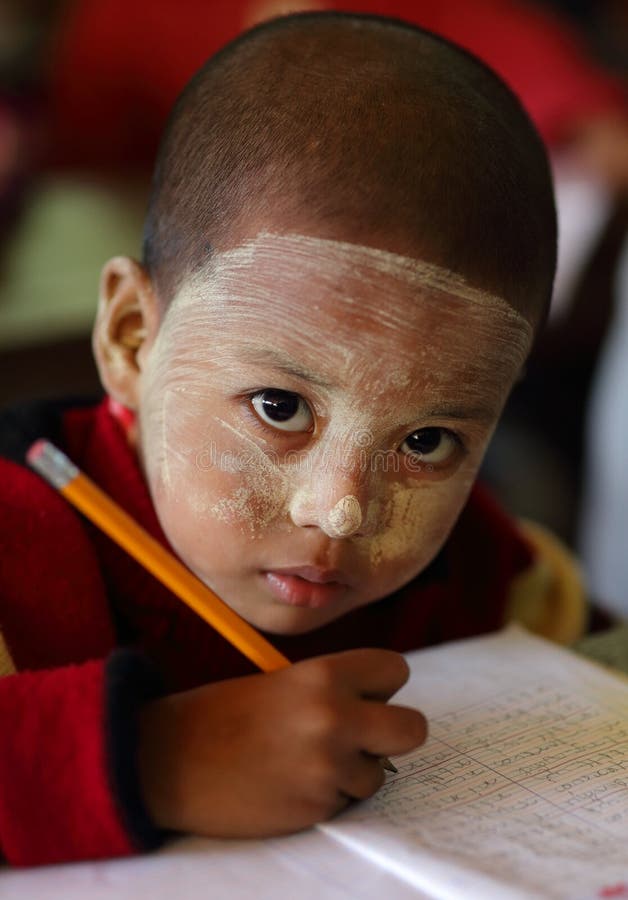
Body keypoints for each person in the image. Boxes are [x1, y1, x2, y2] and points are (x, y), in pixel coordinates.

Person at [0, 12, 584, 867]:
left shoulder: (497, 578)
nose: (342, 510)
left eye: (426, 442)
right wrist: (155, 761)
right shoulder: (19, 547)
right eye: (279, 407)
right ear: (132, 340)